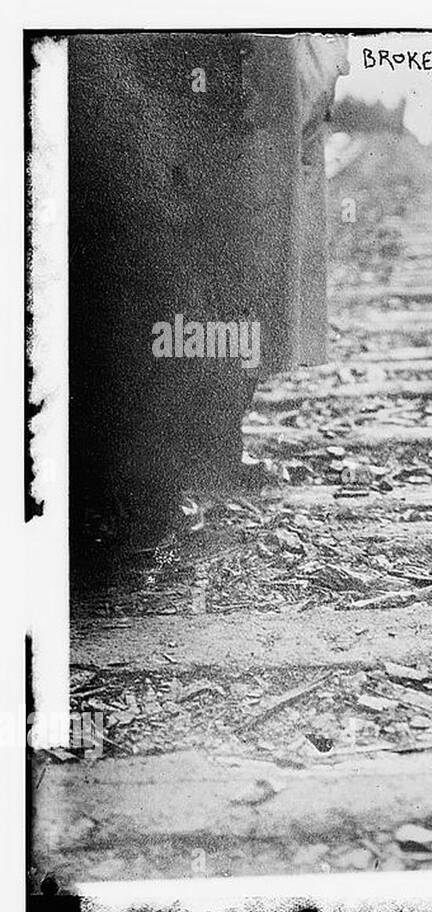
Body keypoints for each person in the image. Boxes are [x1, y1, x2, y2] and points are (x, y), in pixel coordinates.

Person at [68, 32, 349, 552]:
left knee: (265, 254)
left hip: (278, 59)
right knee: (210, 245)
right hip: (215, 57)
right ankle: (154, 467)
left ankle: (210, 449)